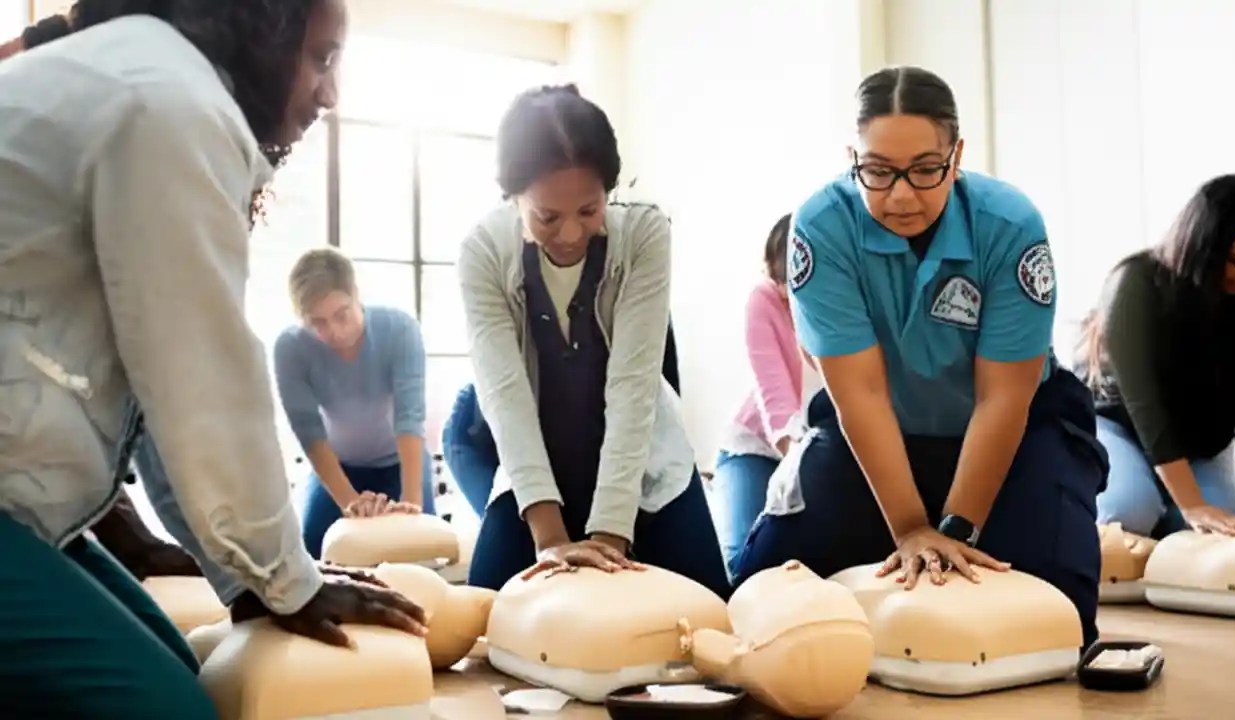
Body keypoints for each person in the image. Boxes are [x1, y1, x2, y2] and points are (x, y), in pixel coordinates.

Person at [0, 4, 426, 716]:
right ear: (267, 34)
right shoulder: (170, 104)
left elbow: (156, 386)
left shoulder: (152, 79)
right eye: (322, 60)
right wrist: (283, 578)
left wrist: (252, 581)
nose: (331, 93)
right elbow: (202, 383)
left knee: (175, 668)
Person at [730, 66, 1108, 648]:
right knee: (764, 589)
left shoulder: (1009, 224)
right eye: (877, 171)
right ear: (851, 156)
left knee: (1059, 615)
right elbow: (861, 393)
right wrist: (910, 530)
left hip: (1018, 429)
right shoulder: (822, 226)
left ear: (956, 158)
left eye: (926, 170)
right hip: (881, 431)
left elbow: (1003, 395)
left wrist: (954, 531)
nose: (901, 194)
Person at [458, 84, 730, 599]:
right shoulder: (483, 252)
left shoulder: (645, 235)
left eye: (589, 210)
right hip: (535, 467)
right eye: (547, 216)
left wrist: (607, 544)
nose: (569, 234)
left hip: (642, 460)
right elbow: (504, 396)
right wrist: (551, 543)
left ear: (610, 188)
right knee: (491, 617)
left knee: (707, 612)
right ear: (513, 196)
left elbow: (633, 390)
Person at [1076, 174, 1235, 538]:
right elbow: (1146, 408)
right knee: (1129, 515)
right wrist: (1191, 505)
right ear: (1207, 249)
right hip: (1119, 423)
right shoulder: (1136, 283)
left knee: (1228, 526)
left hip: (1200, 440)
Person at [274, 247, 439, 558]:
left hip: (398, 462)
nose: (333, 331)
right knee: (314, 550)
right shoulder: (290, 348)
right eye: (317, 323)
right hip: (339, 466)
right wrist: (349, 500)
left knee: (420, 551)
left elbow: (409, 416)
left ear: (356, 295)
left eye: (342, 314)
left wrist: (411, 500)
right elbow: (308, 431)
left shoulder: (400, 329)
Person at [441, 321, 683, 519]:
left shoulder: (646, 299)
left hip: (567, 430)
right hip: (478, 433)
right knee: (520, 530)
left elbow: (664, 404)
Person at [711, 213, 820, 568]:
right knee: (744, 564)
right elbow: (773, 395)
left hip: (822, 450)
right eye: (781, 283)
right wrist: (798, 470)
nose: (788, 296)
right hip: (756, 447)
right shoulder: (764, 298)